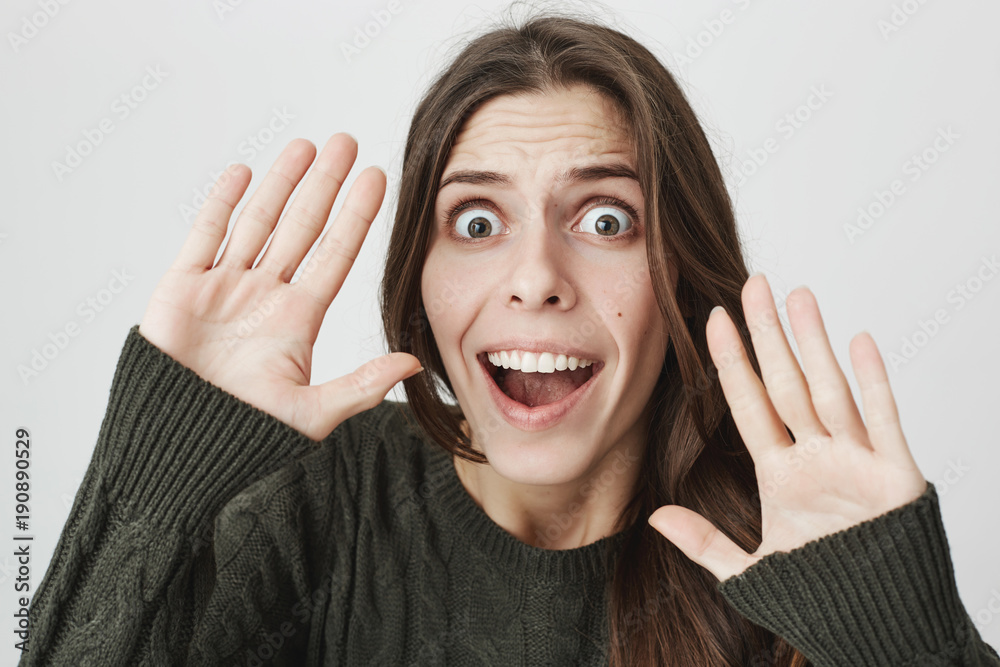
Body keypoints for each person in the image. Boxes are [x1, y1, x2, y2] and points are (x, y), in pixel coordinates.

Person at [21, 12, 999, 667]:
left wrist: (899, 635)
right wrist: (156, 479)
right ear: (420, 283)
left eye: (605, 219)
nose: (534, 277)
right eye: (477, 223)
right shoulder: (311, 508)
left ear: (681, 277)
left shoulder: (784, 552)